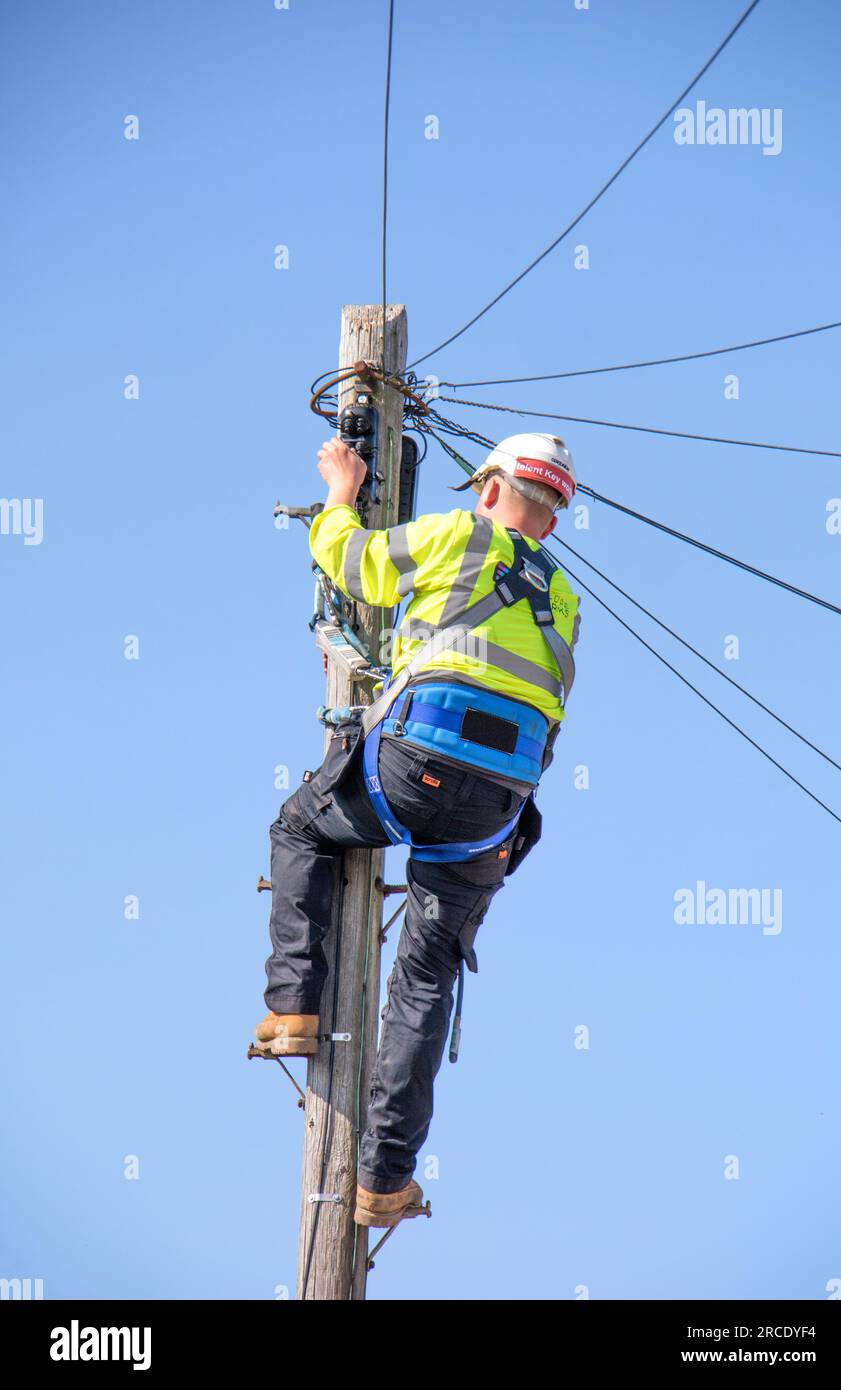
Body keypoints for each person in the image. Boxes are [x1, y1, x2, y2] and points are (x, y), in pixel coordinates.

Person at [254, 431, 581, 1228]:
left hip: (411, 765)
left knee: (301, 829)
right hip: (495, 810)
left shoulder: (458, 533)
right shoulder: (565, 599)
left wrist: (339, 488)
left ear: (496, 489)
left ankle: (292, 1007)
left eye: (480, 489)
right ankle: (382, 1181)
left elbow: (355, 562)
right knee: (427, 978)